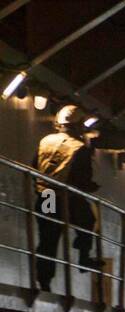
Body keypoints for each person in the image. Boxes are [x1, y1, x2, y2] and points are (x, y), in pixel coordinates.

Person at [32, 104, 100, 290]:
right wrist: (91, 187)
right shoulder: (80, 148)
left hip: (46, 196)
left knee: (48, 238)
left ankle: (44, 281)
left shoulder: (45, 141)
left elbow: (34, 166)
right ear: (78, 125)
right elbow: (83, 179)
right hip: (67, 197)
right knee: (87, 221)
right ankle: (83, 258)